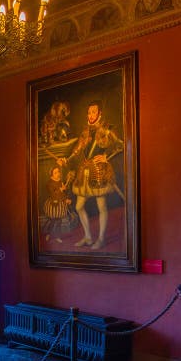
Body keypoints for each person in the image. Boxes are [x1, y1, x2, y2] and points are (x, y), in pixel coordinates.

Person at [57, 100, 123, 250]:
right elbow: (78, 148)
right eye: (89, 112)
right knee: (79, 206)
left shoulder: (107, 129)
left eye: (94, 112)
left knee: (101, 206)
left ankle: (101, 239)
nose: (91, 115)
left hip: (100, 171)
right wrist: (66, 159)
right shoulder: (86, 131)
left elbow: (121, 144)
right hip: (85, 171)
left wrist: (108, 156)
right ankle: (88, 236)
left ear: (100, 113)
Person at [41, 165, 77, 243]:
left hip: (61, 204)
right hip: (53, 204)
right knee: (53, 220)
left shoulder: (60, 181)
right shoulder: (49, 183)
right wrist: (61, 189)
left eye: (58, 172)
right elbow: (53, 194)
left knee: (59, 221)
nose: (58, 174)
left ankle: (57, 236)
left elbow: (63, 194)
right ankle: (49, 234)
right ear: (52, 174)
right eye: (55, 172)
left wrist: (66, 199)